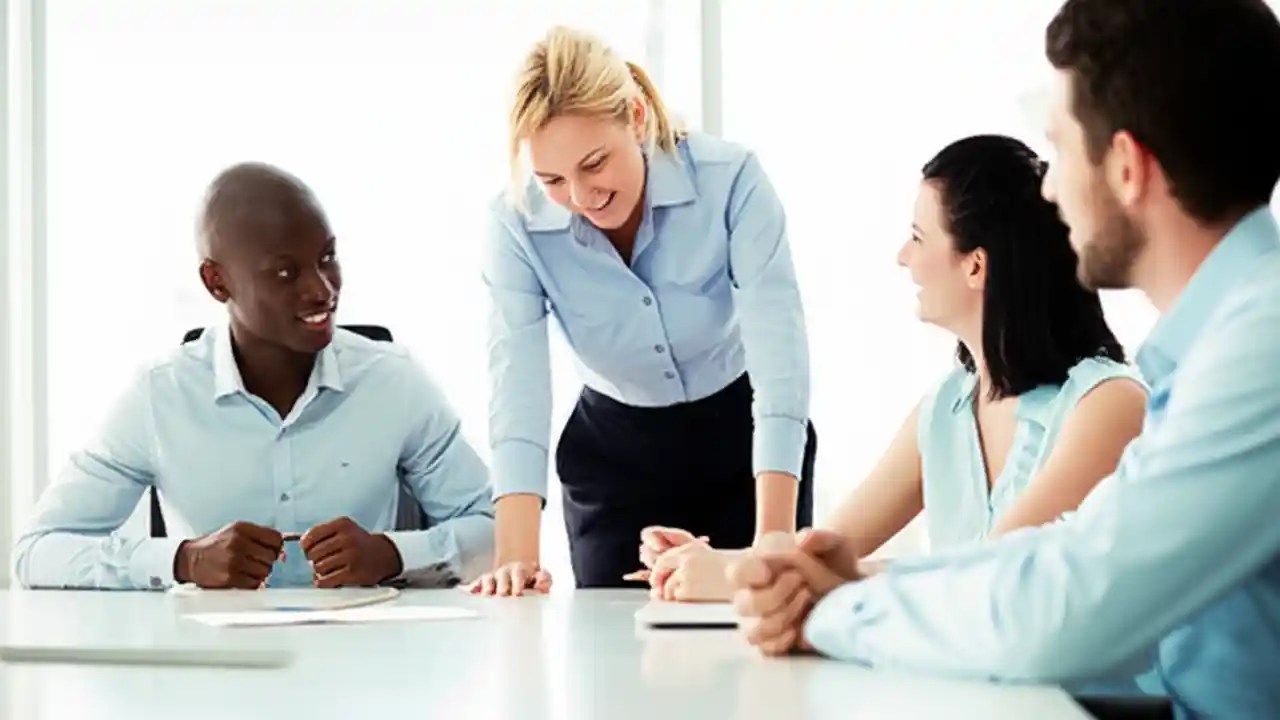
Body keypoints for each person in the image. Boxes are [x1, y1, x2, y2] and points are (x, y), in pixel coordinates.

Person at [729, 1, 1280, 717]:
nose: (1048, 189)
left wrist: (831, 614)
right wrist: (858, 590)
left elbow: (1063, 610)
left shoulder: (1257, 351)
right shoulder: (1219, 346)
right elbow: (1072, 555)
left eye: (1061, 147)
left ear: (1125, 167)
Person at [647, 134, 1147, 602]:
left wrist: (749, 577)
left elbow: (996, 575)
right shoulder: (947, 408)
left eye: (917, 237)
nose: (903, 257)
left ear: (975, 265)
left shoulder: (1108, 403)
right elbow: (826, 550)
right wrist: (717, 563)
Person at [12, 163, 495, 590]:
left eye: (327, 258)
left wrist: (392, 554)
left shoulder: (393, 381)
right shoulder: (160, 397)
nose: (322, 290)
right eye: (285, 273)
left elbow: (499, 532)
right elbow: (37, 552)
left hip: (369, 652)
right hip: (214, 658)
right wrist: (185, 561)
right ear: (216, 282)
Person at [469, 25, 816, 595]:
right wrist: (517, 558)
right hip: (614, 461)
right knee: (617, 641)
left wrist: (772, 541)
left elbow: (780, 356)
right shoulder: (514, 223)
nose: (580, 197)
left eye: (594, 163)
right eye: (552, 179)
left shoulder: (731, 180)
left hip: (744, 441)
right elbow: (517, 385)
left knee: (762, 618)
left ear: (635, 117)